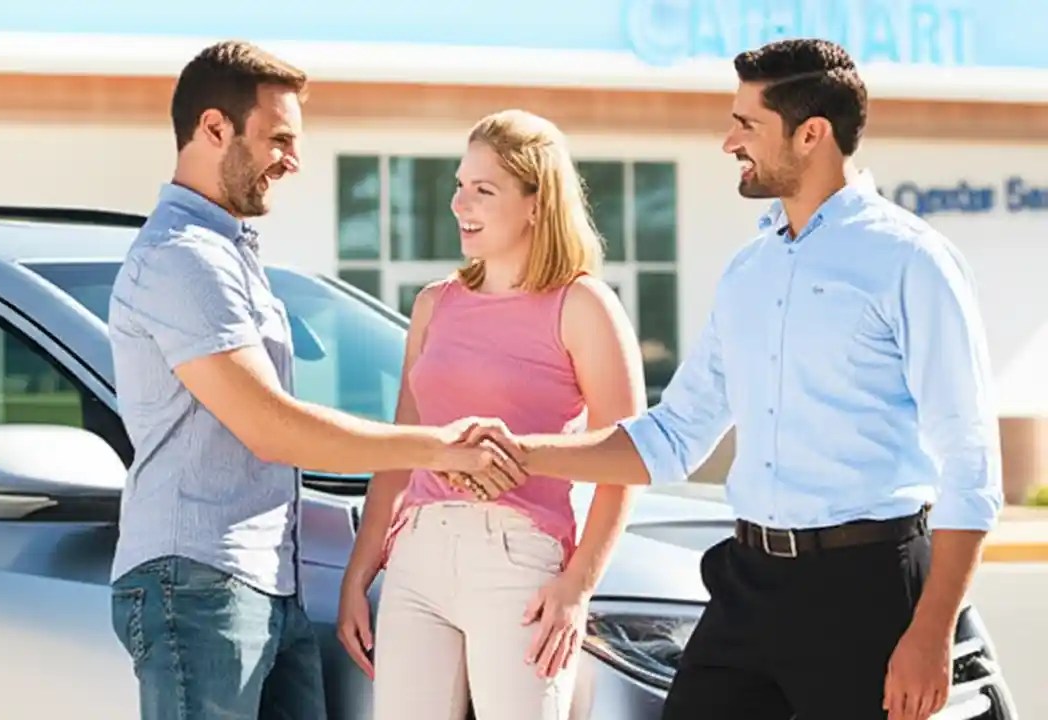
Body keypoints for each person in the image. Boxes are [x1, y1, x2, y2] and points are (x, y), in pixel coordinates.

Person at [467, 39, 1003, 720]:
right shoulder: (750, 270)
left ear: (812, 134)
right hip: (750, 584)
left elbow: (970, 464)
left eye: (747, 124)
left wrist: (929, 635)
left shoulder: (911, 261)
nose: (728, 142)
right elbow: (673, 436)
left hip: (866, 590)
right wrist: (519, 454)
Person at [106, 40, 522, 720]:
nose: (293, 161)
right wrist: (438, 447)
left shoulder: (230, 256)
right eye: (278, 139)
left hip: (265, 583)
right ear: (214, 129)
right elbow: (272, 428)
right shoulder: (183, 262)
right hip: (199, 582)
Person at [335, 108, 647, 720]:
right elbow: (400, 451)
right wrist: (360, 571)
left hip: (519, 562)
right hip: (417, 560)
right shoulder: (434, 304)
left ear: (537, 203)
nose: (460, 204)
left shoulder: (583, 305)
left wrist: (577, 585)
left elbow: (630, 458)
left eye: (484, 190)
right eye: (459, 186)